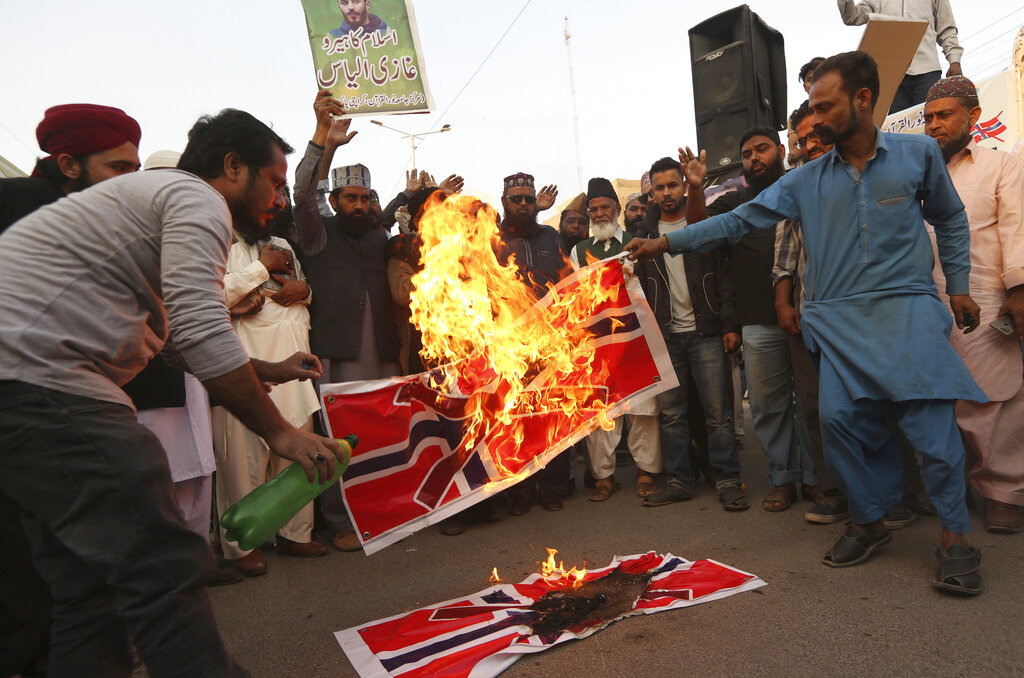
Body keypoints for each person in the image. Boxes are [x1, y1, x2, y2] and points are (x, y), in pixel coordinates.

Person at [627, 51, 986, 595]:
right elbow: (738, 220)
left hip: (909, 312)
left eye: (824, 107)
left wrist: (957, 286)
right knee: (839, 423)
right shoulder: (804, 181)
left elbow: (950, 218)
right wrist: (667, 242)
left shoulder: (917, 155)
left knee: (933, 435)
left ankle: (956, 538)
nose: (813, 120)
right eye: (811, 109)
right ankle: (868, 521)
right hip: (836, 321)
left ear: (862, 99)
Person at [0, 107, 343, 676]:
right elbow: (201, 326)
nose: (278, 199)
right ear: (233, 167)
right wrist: (279, 431)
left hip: (27, 393)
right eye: (274, 181)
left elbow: (175, 342)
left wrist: (267, 369)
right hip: (47, 390)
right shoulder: (195, 199)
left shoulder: (159, 205)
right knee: (162, 563)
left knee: (88, 590)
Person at [0, 101, 143, 678]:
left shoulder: (100, 224)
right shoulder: (19, 208)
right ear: (68, 163)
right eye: (117, 169)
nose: (127, 185)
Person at [681, 128, 820, 514]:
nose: (754, 158)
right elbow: (699, 229)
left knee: (812, 403)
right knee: (768, 406)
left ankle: (816, 479)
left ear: (781, 150)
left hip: (809, 313)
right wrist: (695, 188)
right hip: (758, 320)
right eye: (746, 154)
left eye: (762, 149)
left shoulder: (802, 189)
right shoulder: (736, 202)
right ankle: (783, 479)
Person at [924, 75, 1024, 534]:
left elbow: (1016, 228)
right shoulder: (918, 172)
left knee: (991, 398)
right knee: (937, 401)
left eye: (944, 115)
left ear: (973, 116)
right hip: (925, 300)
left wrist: (1019, 291)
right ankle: (953, 486)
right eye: (929, 117)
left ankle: (1002, 492)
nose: (934, 125)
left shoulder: (1000, 165)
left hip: (983, 296)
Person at [214, 196, 327, 576]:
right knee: (242, 461)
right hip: (244, 367)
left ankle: (296, 534)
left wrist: (304, 290)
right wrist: (261, 268)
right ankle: (240, 544)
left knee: (298, 454)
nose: (271, 209)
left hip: (294, 364)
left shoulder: (283, 245)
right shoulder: (220, 242)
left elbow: (304, 293)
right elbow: (212, 296)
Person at [630, 156, 747, 511]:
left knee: (719, 414)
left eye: (672, 185)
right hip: (666, 338)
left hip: (707, 331)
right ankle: (680, 481)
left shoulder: (702, 223)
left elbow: (726, 277)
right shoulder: (643, 236)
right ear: (651, 193)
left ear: (683, 186)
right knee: (672, 416)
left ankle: (727, 480)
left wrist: (730, 325)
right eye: (659, 187)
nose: (666, 192)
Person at [773, 101, 852, 526]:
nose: (811, 144)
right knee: (816, 408)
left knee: (869, 406)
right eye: (803, 140)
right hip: (808, 321)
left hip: (860, 320)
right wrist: (784, 304)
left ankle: (889, 496)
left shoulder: (862, 173)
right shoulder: (795, 186)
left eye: (817, 134)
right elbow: (784, 258)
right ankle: (833, 490)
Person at [569, 178, 662, 502]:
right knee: (601, 412)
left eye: (605, 207)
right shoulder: (579, 250)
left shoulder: (634, 243)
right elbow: (577, 297)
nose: (599, 213)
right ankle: (604, 477)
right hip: (600, 344)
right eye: (593, 209)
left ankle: (646, 471)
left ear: (617, 209)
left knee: (644, 408)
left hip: (636, 338)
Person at [496, 171, 571, 514]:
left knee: (552, 414)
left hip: (549, 341)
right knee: (514, 419)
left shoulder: (550, 236)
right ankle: (521, 489)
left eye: (529, 198)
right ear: (505, 202)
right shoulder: (491, 239)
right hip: (507, 345)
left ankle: (553, 486)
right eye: (517, 199)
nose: (524, 204)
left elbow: (567, 281)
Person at [0, 103, 140, 232]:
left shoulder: (124, 220)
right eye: (120, 168)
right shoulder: (8, 200)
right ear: (69, 166)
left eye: (136, 170)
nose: (132, 179)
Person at [837, 0, 963, 113]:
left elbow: (946, 28)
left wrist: (955, 61)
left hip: (927, 71)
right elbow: (852, 16)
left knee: (931, 119)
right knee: (897, 125)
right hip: (892, 76)